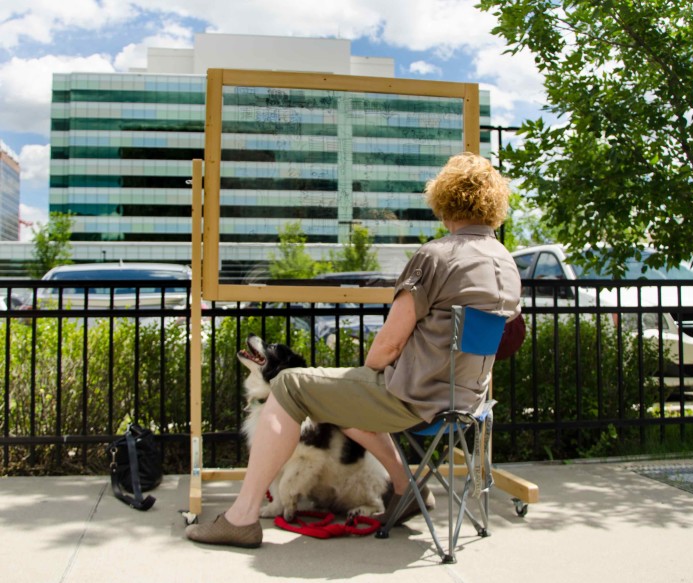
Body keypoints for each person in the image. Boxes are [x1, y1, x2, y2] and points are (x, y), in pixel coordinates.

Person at [186, 151, 522, 548]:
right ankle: (406, 488)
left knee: (289, 385)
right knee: (339, 401)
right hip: (467, 403)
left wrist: (372, 372)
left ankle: (241, 517)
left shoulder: (437, 256)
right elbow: (509, 339)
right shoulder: (505, 263)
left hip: (413, 399)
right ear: (493, 205)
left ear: (444, 202)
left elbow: (389, 343)